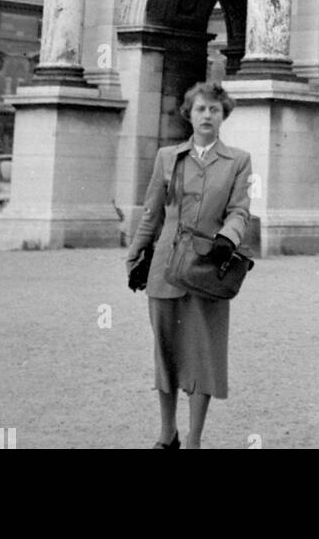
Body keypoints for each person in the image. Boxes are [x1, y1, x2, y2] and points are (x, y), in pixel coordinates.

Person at [125, 81, 252, 449]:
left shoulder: (238, 161)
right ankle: (168, 434)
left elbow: (240, 210)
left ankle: (194, 440)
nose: (207, 115)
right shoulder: (168, 157)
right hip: (164, 267)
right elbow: (152, 213)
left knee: (204, 357)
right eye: (200, 109)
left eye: (214, 109)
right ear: (189, 114)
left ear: (223, 115)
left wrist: (229, 236)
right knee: (165, 353)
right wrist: (135, 256)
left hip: (209, 269)